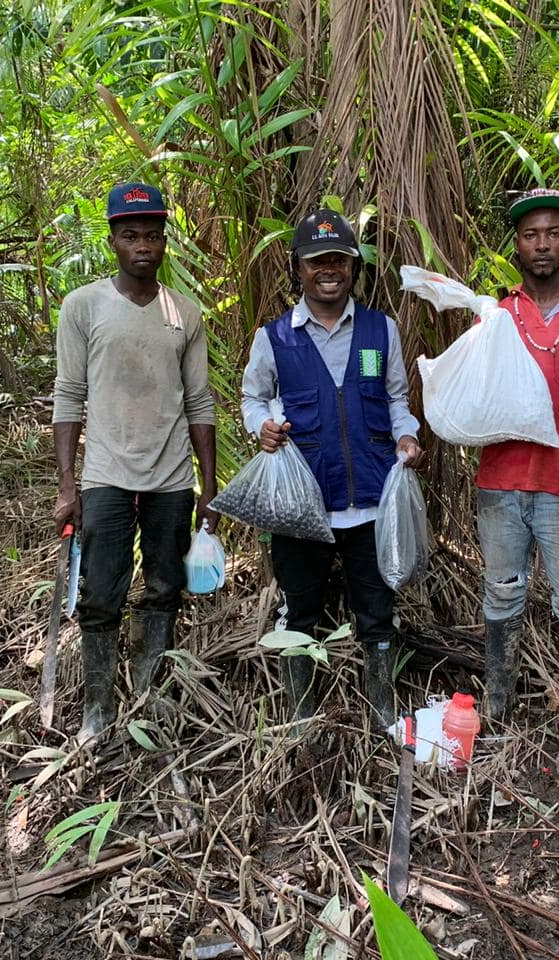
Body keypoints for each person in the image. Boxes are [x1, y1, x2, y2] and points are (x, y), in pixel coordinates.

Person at [241, 210, 423, 731]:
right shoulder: (274, 338)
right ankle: (300, 718)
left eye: (338, 260)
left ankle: (380, 707)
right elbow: (252, 398)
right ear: (297, 268)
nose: (328, 270)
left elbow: (395, 400)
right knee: (299, 612)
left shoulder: (379, 329)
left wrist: (406, 434)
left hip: (368, 501)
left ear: (353, 268)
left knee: (377, 610)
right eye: (316, 261)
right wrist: (262, 427)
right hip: (302, 507)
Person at [52, 183, 218, 743]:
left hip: (171, 475)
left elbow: (199, 402)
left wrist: (208, 487)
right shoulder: (84, 307)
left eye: (151, 236)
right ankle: (97, 707)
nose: (141, 246)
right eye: (130, 236)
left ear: (164, 242)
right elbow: (68, 395)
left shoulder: (184, 313)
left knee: (165, 587)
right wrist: (67, 485)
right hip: (105, 475)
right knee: (101, 592)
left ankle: (151, 696)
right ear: (113, 242)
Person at [477, 187, 559, 780]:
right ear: (517, 242)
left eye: (553, 233)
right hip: (501, 483)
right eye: (531, 234)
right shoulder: (498, 316)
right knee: (502, 593)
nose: (541, 244)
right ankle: (498, 702)